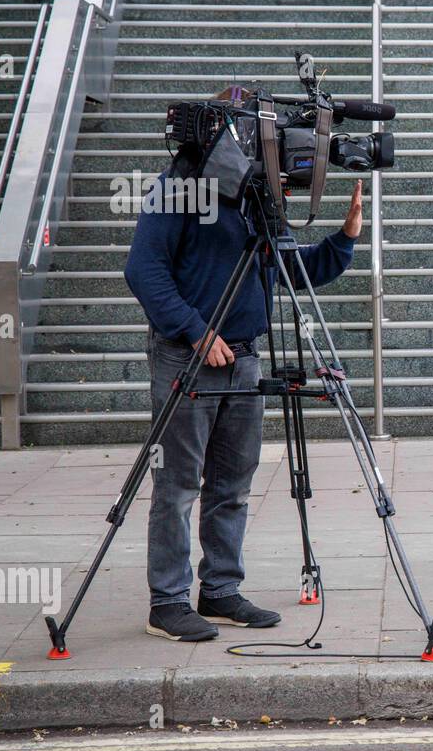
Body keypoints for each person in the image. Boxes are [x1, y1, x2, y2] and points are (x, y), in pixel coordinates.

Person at [124, 101, 364, 641]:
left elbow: (287, 268)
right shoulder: (175, 190)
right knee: (178, 486)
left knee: (232, 485)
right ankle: (166, 602)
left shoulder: (256, 201)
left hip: (245, 356)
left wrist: (344, 239)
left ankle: (220, 590)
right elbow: (142, 270)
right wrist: (194, 330)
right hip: (187, 357)